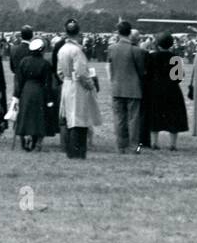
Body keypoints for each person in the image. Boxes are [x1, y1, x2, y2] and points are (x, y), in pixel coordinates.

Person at [57, 20, 102, 160]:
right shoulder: (77, 50)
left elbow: (59, 71)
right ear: (78, 33)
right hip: (77, 86)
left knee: (69, 118)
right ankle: (78, 152)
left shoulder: (62, 49)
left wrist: (66, 79)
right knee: (79, 119)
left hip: (67, 84)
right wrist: (90, 85)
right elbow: (81, 73)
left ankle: (70, 150)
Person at [144, 32, 188, 150]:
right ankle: (173, 144)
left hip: (155, 89)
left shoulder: (151, 56)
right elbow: (179, 77)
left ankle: (154, 142)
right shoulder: (176, 58)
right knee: (174, 116)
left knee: (154, 114)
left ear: (157, 44)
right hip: (172, 89)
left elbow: (147, 75)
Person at [108, 21, 146, 153]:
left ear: (118, 32)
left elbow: (111, 67)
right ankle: (134, 146)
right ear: (130, 32)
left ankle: (121, 145)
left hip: (117, 87)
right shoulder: (136, 50)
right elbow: (141, 71)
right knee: (133, 119)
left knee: (119, 118)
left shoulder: (112, 48)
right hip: (133, 88)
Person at [13, 38, 52, 151]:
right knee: (38, 117)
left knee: (24, 115)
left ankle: (23, 138)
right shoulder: (45, 63)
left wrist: (16, 95)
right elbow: (47, 83)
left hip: (26, 90)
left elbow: (19, 80)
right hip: (39, 91)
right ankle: (36, 142)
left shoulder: (24, 61)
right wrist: (49, 98)